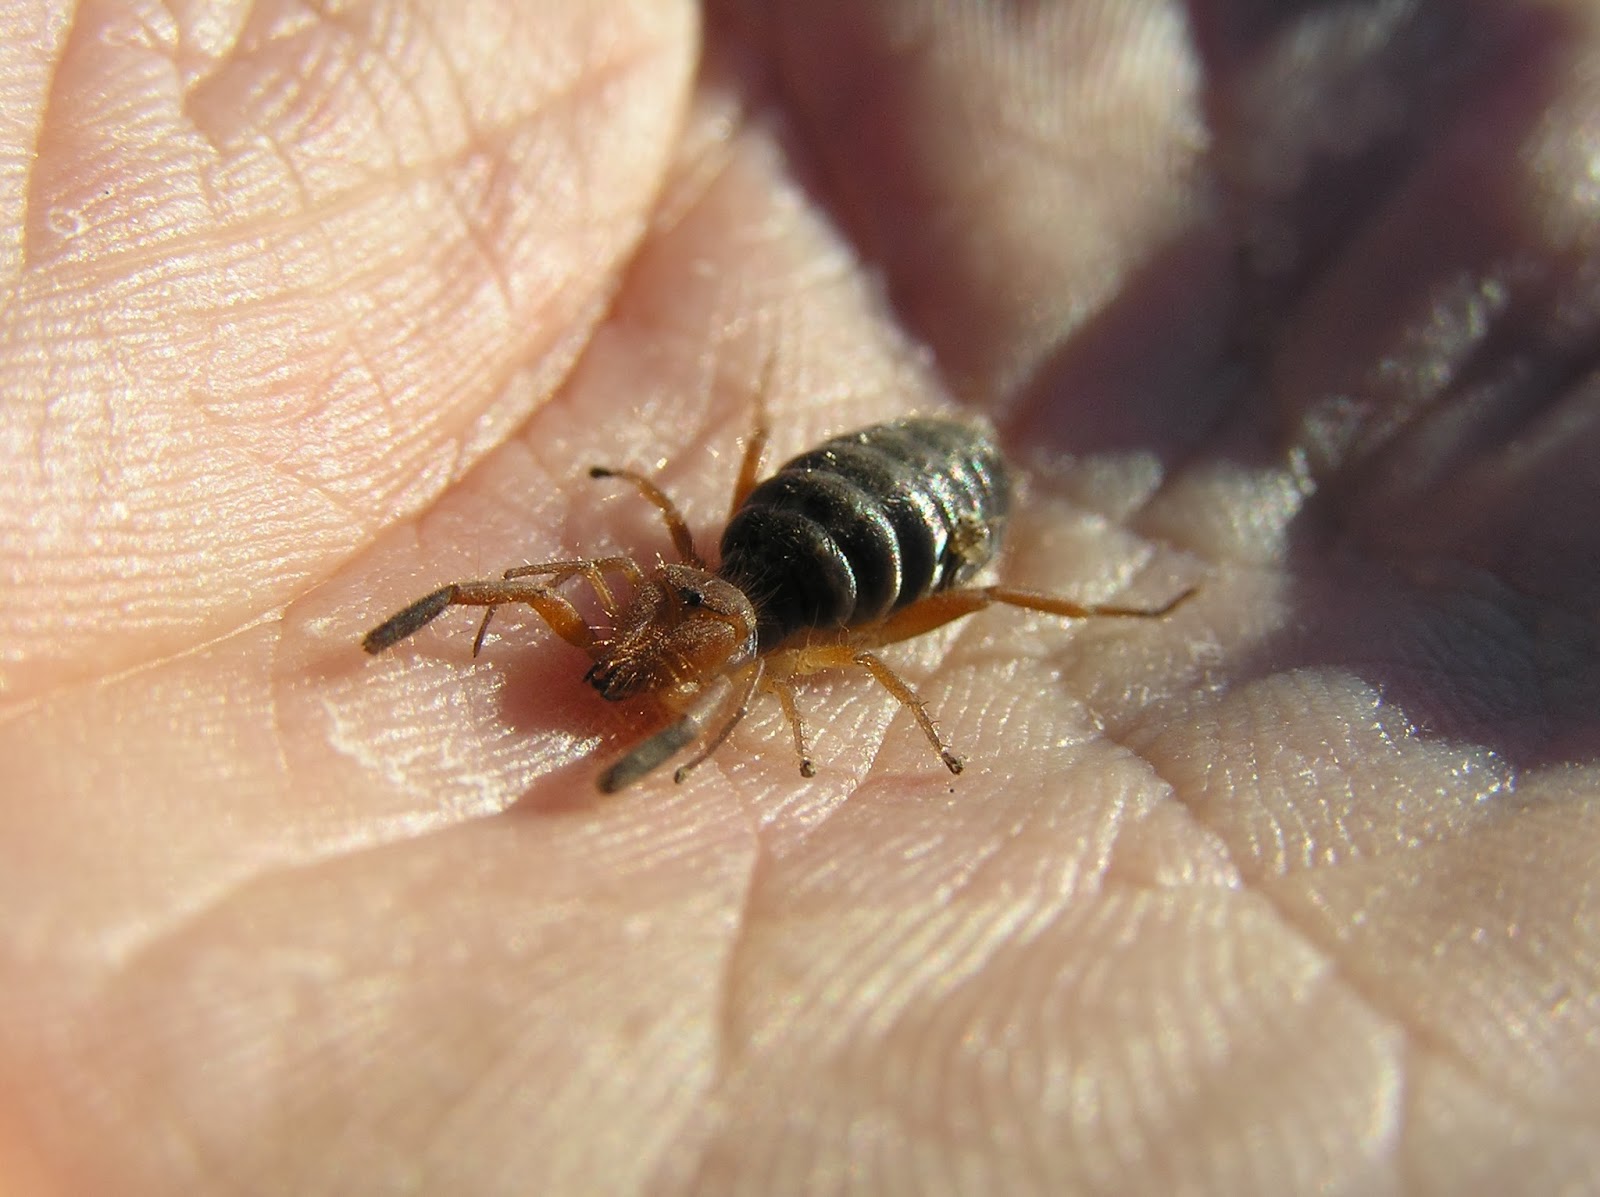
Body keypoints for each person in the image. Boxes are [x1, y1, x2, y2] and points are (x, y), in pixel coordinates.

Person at [3, 2, 1595, 1192]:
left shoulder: (748, 658)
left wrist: (678, 731)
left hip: (902, 520)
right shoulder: (663, 597)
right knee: (696, 584)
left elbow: (707, 690)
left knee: (889, 629)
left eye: (646, 669)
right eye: (634, 654)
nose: (623, 650)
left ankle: (1093, 617)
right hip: (818, 526)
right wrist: (481, 605)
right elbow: (579, 578)